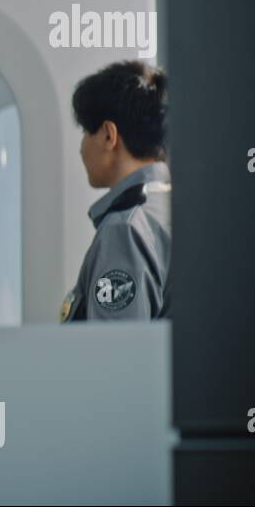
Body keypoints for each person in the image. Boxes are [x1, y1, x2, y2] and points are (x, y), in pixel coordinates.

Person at [61, 60, 171, 322]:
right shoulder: (170, 205)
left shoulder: (126, 229)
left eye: (87, 131)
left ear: (109, 135)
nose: (81, 147)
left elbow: (114, 354)